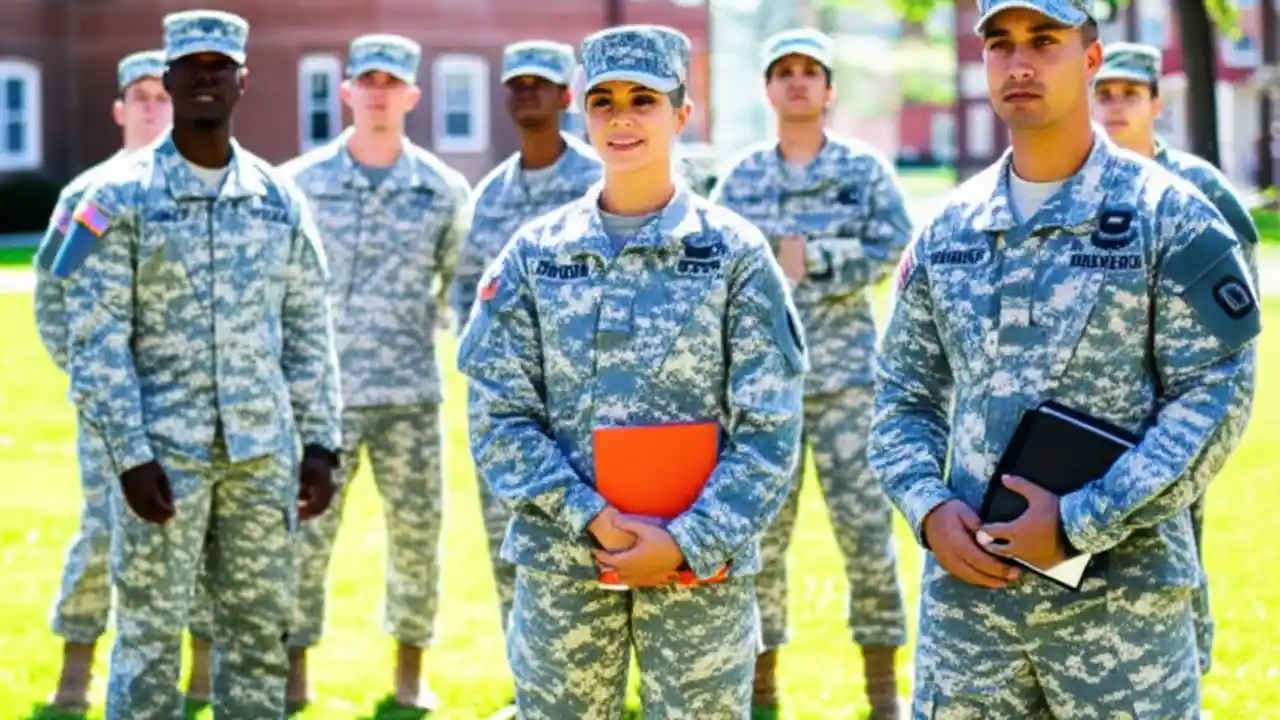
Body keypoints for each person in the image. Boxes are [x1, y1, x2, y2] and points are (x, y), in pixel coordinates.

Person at [870, 0, 1259, 716]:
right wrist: (928, 508)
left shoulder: (1167, 217)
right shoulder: (947, 230)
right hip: (971, 615)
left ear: (1089, 59)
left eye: (1044, 41)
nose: (1019, 63)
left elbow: (1216, 391)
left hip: (1122, 612)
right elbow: (902, 396)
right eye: (1001, 44)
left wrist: (1082, 518)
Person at [458, 24, 807, 719]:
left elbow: (769, 429)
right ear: (582, 115)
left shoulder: (733, 255)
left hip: (700, 571)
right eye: (604, 100)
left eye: (643, 100)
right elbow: (497, 414)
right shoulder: (534, 254)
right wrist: (591, 519)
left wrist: (685, 540)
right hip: (564, 562)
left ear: (681, 114)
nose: (621, 117)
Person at [51, 10, 342, 718]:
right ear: (169, 80)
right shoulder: (118, 199)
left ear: (243, 80)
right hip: (162, 458)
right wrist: (128, 454)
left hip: (261, 455)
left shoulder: (278, 199)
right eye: (192, 68)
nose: (206, 79)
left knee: (254, 638)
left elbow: (306, 327)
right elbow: (95, 342)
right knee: (149, 638)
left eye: (220, 68)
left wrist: (320, 444)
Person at [711, 28, 910, 719]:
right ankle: (760, 684)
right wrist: (775, 262)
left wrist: (814, 259)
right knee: (760, 538)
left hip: (849, 382)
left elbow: (895, 247)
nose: (796, 81)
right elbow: (723, 271)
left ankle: (882, 689)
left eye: (809, 71)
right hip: (762, 391)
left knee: (867, 537)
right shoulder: (740, 178)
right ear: (767, 89)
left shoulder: (864, 171)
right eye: (783, 71)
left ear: (829, 90)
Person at [278, 33, 470, 711]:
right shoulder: (299, 184)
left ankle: (409, 672)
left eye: (393, 82)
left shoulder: (444, 190)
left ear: (412, 95)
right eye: (369, 80)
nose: (380, 93)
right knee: (304, 537)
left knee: (418, 538)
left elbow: (455, 284)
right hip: (321, 402)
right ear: (349, 89)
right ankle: (294, 664)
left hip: (411, 397)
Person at [1091, 39, 1262, 678]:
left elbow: (1233, 314)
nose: (1115, 106)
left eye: (1129, 94)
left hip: (1176, 410)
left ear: (1155, 103)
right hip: (1099, 407)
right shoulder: (1079, 181)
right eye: (1104, 93)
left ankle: (1185, 674)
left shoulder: (1198, 188)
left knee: (1176, 545)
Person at [33, 48, 171, 714]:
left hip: (192, 405)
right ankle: (75, 670)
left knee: (199, 531)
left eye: (162, 93)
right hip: (112, 412)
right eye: (140, 95)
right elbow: (52, 297)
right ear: (120, 110)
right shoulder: (88, 196)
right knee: (101, 531)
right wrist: (96, 383)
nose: (153, 105)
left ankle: (197, 675)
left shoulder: (205, 187)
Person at [452, 38, 601, 648]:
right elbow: (469, 291)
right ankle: (529, 679)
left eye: (540, 82)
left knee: (602, 542)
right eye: (517, 84)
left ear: (566, 96)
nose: (527, 92)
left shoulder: (599, 179)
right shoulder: (490, 193)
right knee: (510, 539)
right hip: (516, 403)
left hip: (594, 398)